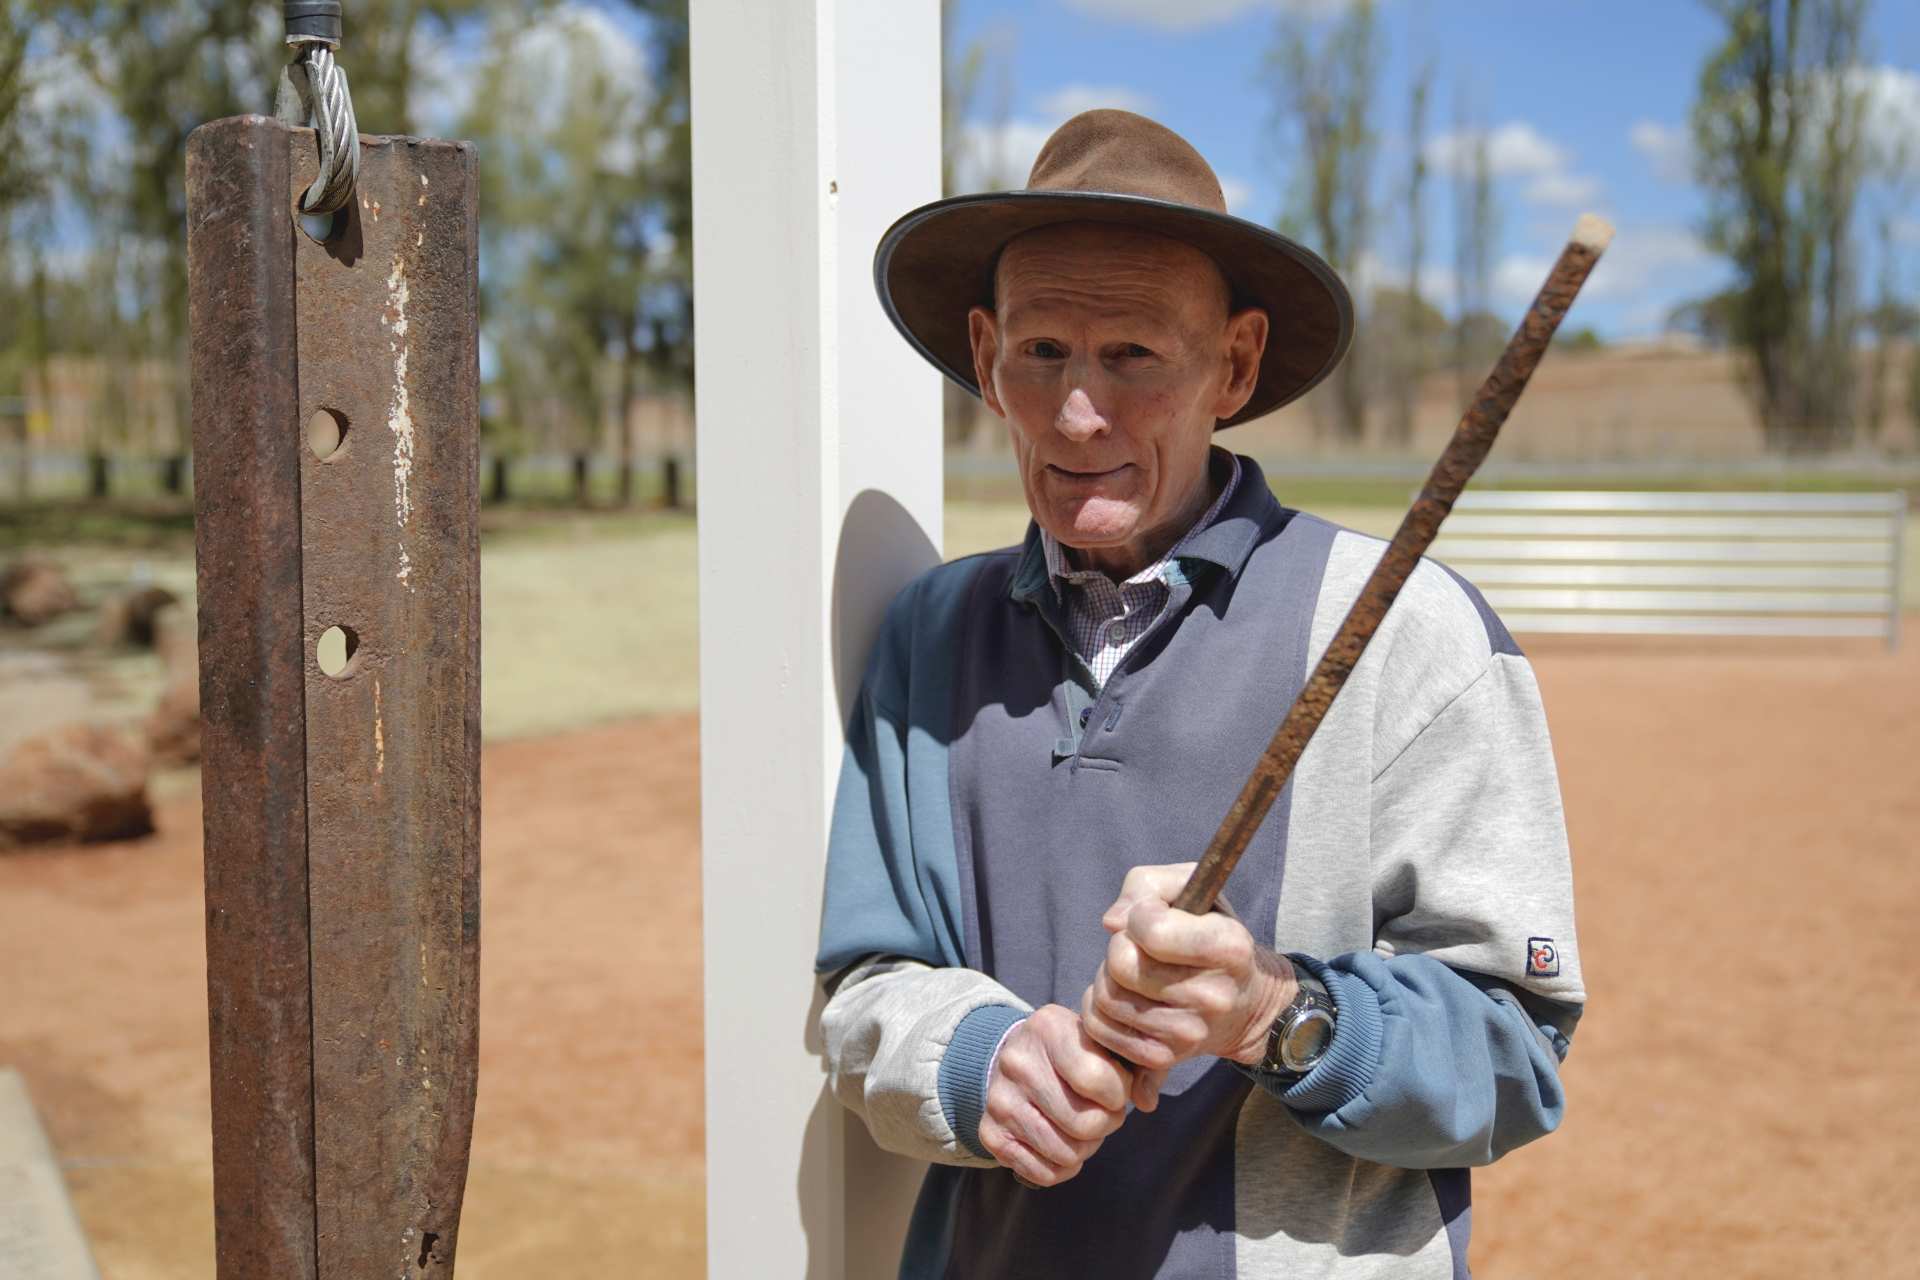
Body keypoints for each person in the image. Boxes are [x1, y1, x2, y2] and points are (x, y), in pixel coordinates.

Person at [815, 109, 1584, 1279]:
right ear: (984, 354)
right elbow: (867, 984)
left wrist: (1274, 1012)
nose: (1080, 413)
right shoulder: (929, 633)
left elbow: (1514, 1056)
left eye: (1133, 355)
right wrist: (979, 1057)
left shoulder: (1408, 633)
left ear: (1233, 364)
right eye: (1042, 352)